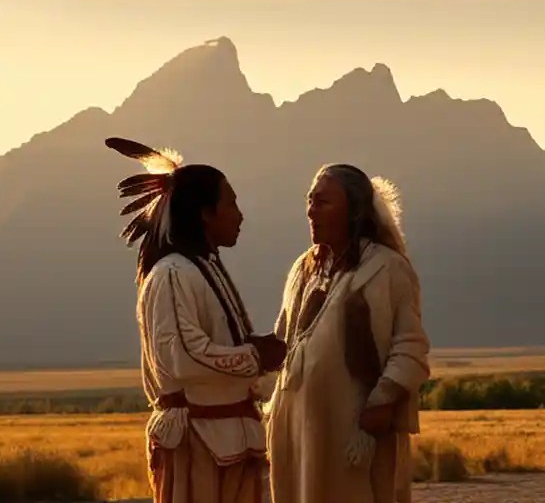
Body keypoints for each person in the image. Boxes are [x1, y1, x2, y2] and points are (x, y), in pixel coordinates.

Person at [106, 137, 287, 503]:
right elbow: (184, 357)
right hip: (197, 444)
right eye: (231, 203)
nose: (240, 214)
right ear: (206, 213)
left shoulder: (203, 268)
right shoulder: (172, 274)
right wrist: (256, 357)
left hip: (228, 439)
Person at [267, 164, 431, 503]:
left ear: (354, 210)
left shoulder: (387, 268)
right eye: (309, 201)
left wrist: (382, 400)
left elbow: (410, 345)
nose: (311, 211)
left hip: (352, 427)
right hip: (299, 427)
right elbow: (284, 339)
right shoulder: (303, 269)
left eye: (323, 202)